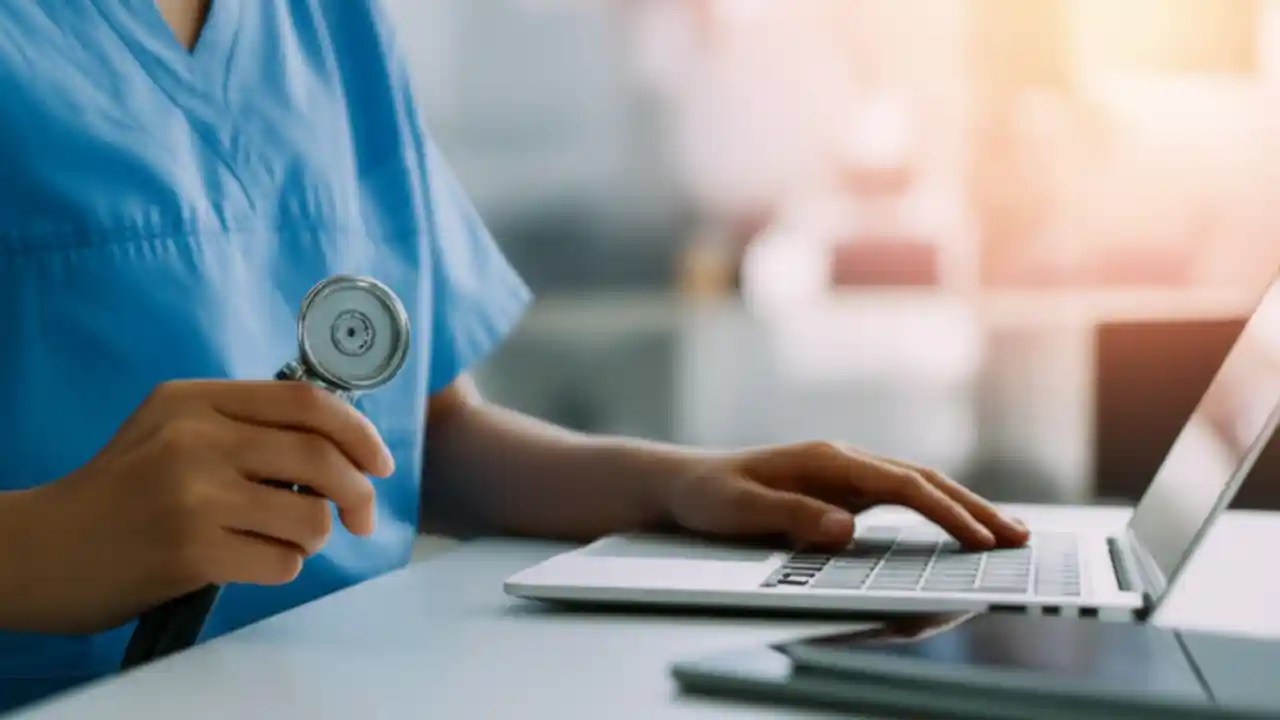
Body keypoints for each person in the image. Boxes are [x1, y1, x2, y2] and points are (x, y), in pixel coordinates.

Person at [0, 0, 1028, 709]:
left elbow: (429, 435)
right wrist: (41, 548)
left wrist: (679, 484)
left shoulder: (326, 21)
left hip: (357, 680)